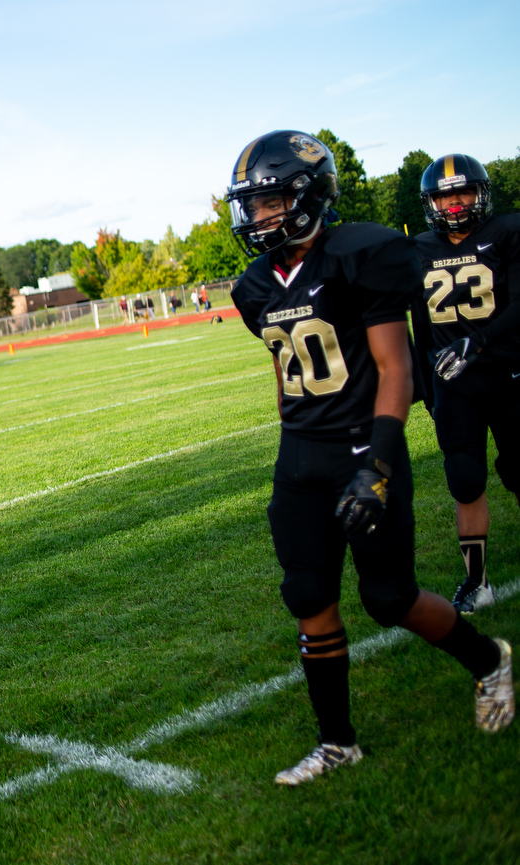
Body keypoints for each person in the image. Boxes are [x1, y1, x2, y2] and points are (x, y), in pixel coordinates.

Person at [227, 131, 513, 785]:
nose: (260, 216)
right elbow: (284, 368)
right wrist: (290, 442)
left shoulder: (361, 253)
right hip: (300, 453)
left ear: (310, 193)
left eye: (271, 201)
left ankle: (488, 658)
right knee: (307, 592)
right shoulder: (253, 284)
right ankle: (337, 741)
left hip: (363, 442)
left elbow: (395, 367)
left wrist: (379, 463)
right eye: (254, 204)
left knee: (389, 597)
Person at [409, 153, 520, 614]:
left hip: (510, 373)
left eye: (462, 193)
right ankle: (477, 581)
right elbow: (418, 323)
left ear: (481, 193)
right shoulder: (417, 249)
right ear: (430, 202)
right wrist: (426, 387)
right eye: (443, 196)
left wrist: (479, 342)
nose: (454, 204)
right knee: (464, 478)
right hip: (453, 383)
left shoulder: (507, 233)